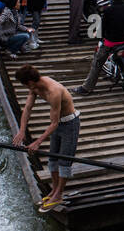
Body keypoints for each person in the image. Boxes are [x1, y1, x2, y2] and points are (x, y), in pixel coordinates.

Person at [13, 64, 79, 213]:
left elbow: (54, 123)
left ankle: (59, 195)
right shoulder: (34, 88)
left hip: (69, 124)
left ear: (29, 82)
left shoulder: (53, 91)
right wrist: (22, 131)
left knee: (64, 161)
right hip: (57, 125)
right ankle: (54, 190)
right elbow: (28, 109)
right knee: (52, 160)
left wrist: (37, 142)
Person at [73, 0, 124, 96]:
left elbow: (102, 28)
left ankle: (86, 88)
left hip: (111, 42)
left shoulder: (109, 10)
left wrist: (101, 36)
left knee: (96, 64)